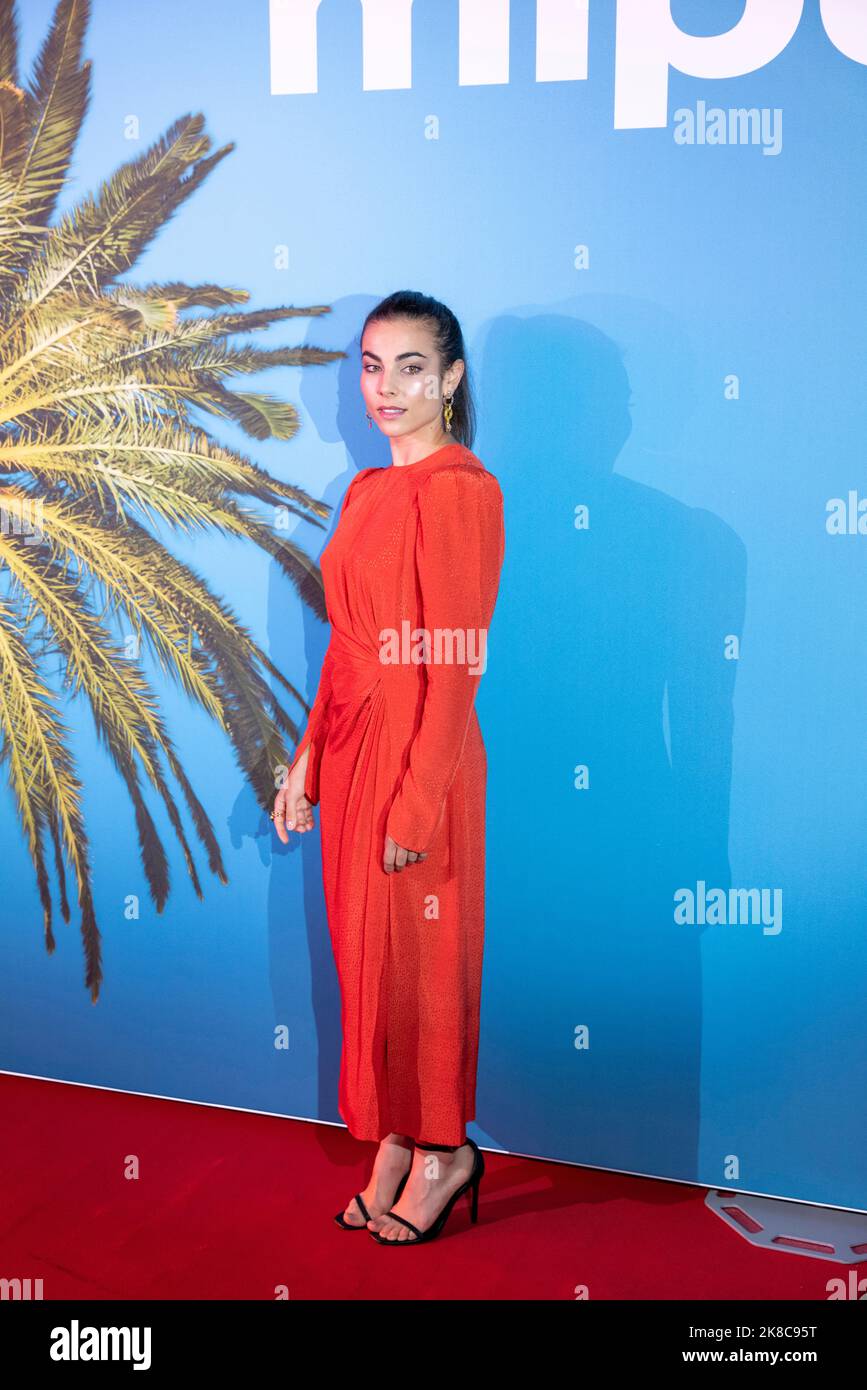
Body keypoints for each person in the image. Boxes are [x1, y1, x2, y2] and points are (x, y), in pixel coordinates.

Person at [272, 290, 505, 1245]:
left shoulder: (462, 491)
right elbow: (344, 649)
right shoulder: (365, 491)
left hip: (425, 767)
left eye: (411, 366)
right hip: (356, 751)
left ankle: (448, 1150)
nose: (387, 387)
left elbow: (453, 670)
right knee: (371, 969)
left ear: (450, 379)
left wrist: (415, 810)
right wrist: (305, 764)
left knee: (425, 968)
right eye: (372, 366)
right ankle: (397, 1141)